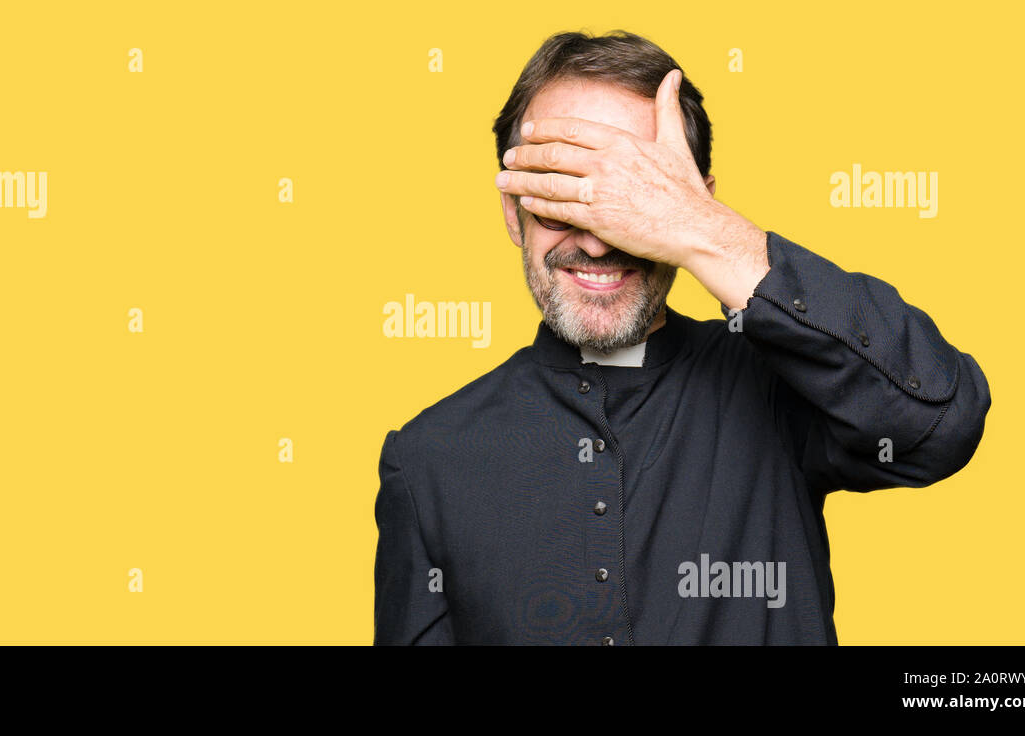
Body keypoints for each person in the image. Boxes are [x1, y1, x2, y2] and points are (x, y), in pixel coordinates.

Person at [373, 30, 991, 645]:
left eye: (631, 198)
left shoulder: (782, 386)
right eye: (562, 193)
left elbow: (941, 421)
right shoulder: (428, 457)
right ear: (514, 211)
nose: (595, 239)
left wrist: (706, 232)